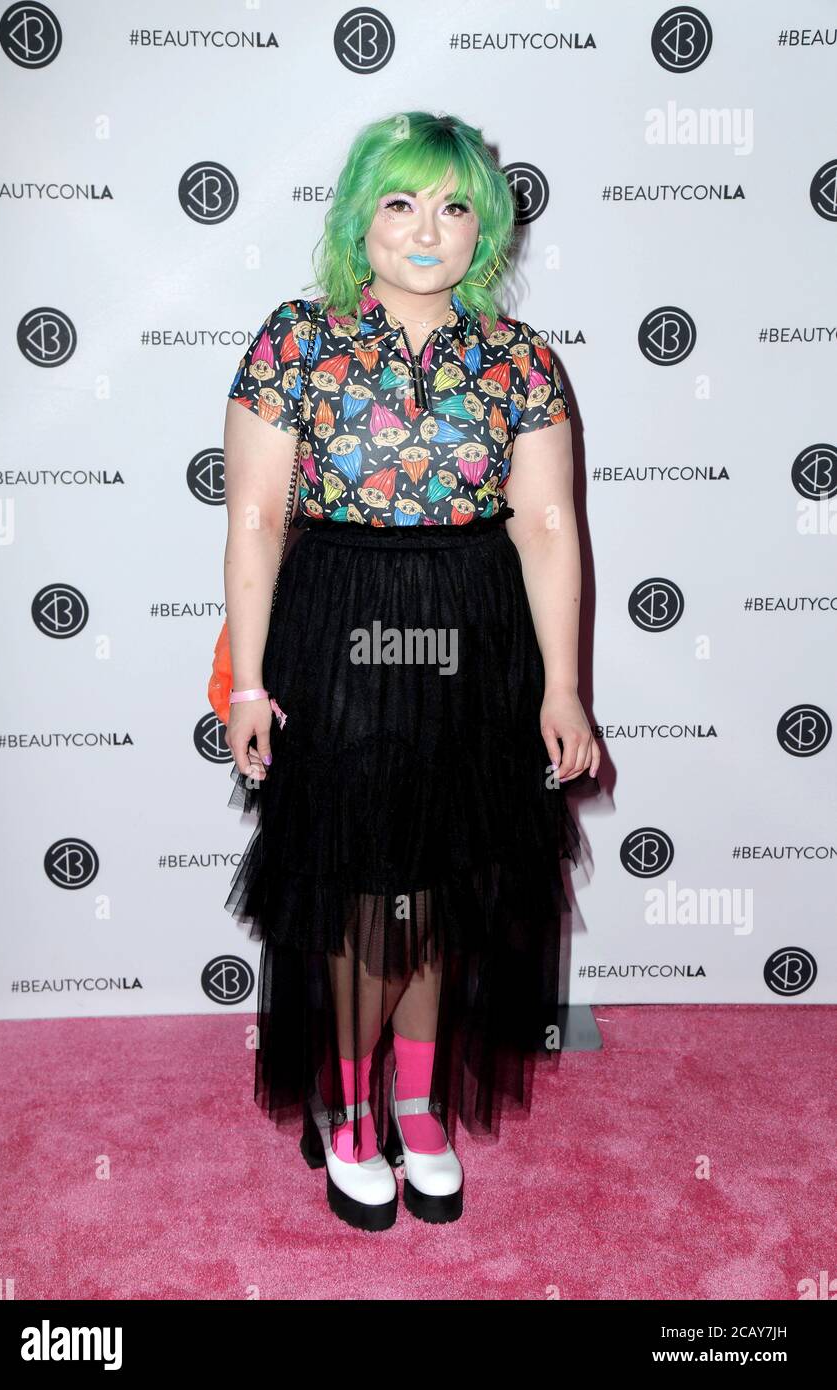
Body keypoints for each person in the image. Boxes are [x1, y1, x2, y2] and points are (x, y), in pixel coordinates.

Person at [221, 110, 598, 1232]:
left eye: (451, 205)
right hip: (336, 625)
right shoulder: (294, 338)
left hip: (475, 637)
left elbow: (542, 524)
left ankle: (420, 1104)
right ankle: (345, 1109)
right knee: (360, 887)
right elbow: (253, 518)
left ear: (483, 226)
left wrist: (561, 684)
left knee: (439, 884)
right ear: (358, 218)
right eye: (398, 202)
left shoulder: (519, 359)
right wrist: (247, 680)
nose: (424, 228)